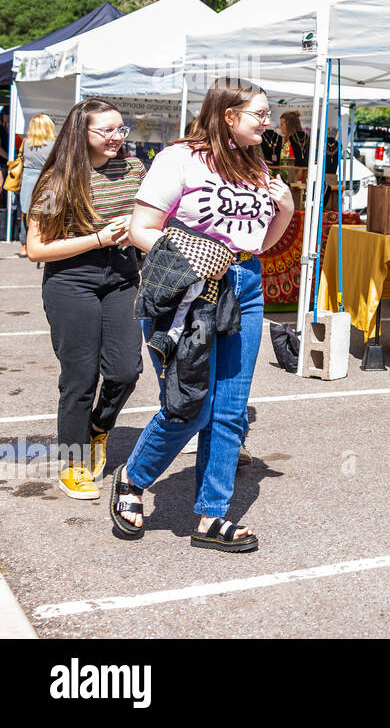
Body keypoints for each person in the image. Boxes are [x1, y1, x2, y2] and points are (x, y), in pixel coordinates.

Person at [111, 78, 294, 551]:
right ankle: (133, 478)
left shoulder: (256, 164)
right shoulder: (179, 158)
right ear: (229, 116)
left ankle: (211, 516)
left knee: (231, 411)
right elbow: (140, 230)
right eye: (261, 113)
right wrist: (196, 264)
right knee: (191, 403)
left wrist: (286, 210)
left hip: (244, 287)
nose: (268, 121)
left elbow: (259, 244)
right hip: (188, 293)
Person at [25, 100, 144, 500]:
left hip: (122, 273)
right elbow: (37, 249)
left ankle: (98, 429)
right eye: (106, 131)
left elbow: (153, 218)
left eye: (120, 129)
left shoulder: (134, 170)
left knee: (126, 370)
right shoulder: (59, 180)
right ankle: (73, 464)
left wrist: (137, 230)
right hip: (71, 278)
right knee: (79, 377)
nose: (116, 138)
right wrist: (98, 238)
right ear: (82, 133)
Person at [17, 113, 56, 258]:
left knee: (26, 214)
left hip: (28, 181)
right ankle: (45, 241)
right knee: (47, 212)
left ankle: (24, 246)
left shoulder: (26, 142)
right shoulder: (54, 144)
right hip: (47, 181)